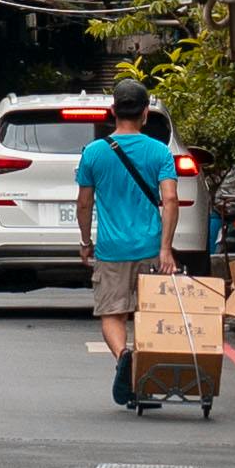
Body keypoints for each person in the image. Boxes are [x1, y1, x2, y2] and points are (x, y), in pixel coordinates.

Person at [78, 94, 180, 409]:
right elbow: (171, 200)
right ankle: (144, 379)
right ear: (145, 114)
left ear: (112, 112)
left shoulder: (94, 153)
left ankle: (124, 357)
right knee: (148, 315)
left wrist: (85, 241)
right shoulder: (160, 151)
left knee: (112, 313)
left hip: (111, 250)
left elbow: (84, 202)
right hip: (151, 248)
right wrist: (166, 248)